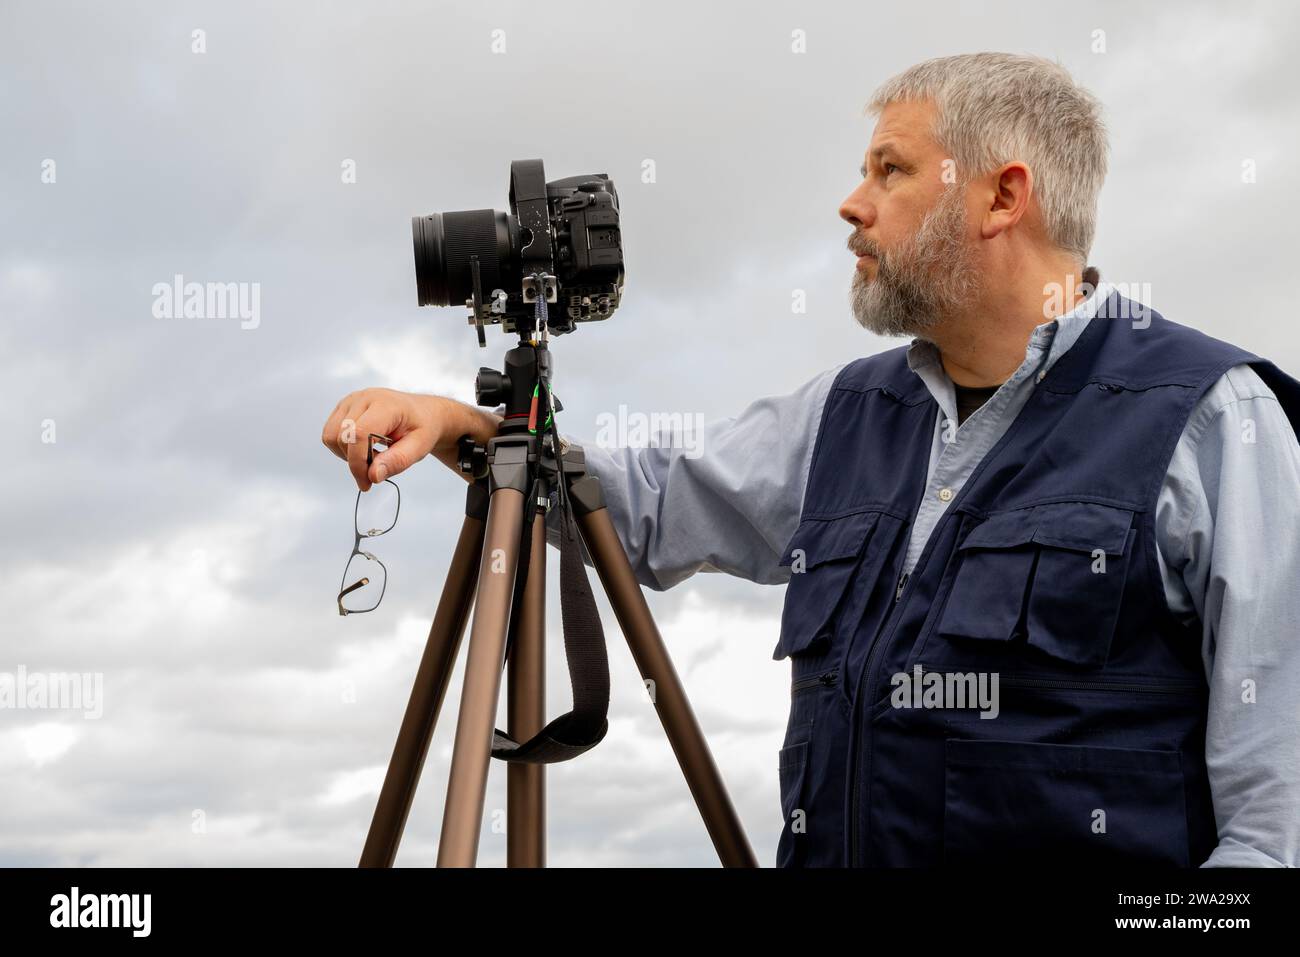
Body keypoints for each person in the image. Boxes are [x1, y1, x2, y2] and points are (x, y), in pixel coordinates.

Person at [322, 52, 1300, 868]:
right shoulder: (845, 414)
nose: (850, 204)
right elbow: (647, 504)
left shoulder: (1214, 419)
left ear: (1002, 197)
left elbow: (1274, 821)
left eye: (889, 171)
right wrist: (458, 424)